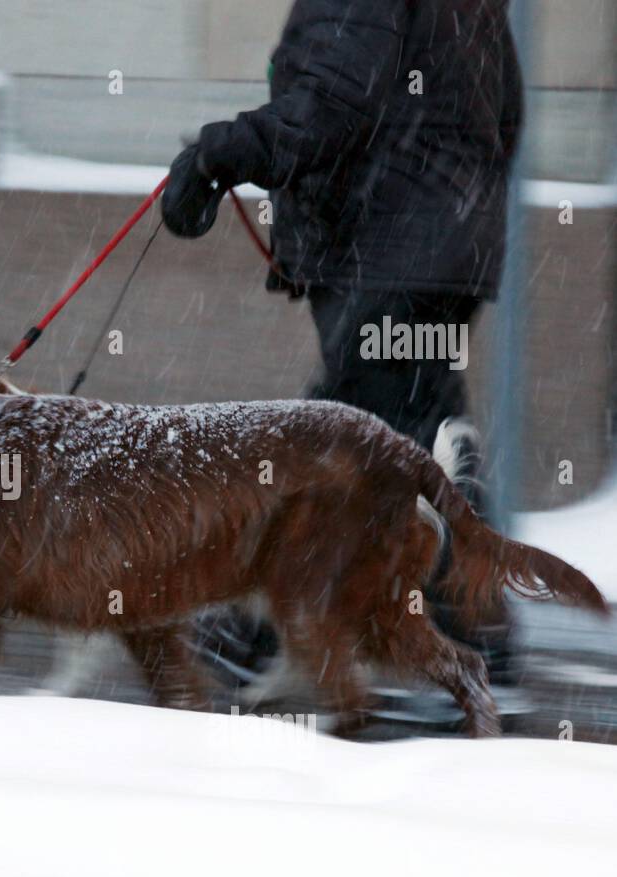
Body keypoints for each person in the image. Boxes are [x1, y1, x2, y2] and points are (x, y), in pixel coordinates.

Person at [161, 0, 524, 685]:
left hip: (387, 252)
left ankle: (243, 631)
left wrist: (217, 154)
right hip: (440, 251)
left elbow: (331, 105)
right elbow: (506, 117)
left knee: (349, 440)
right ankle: (254, 626)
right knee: (405, 430)